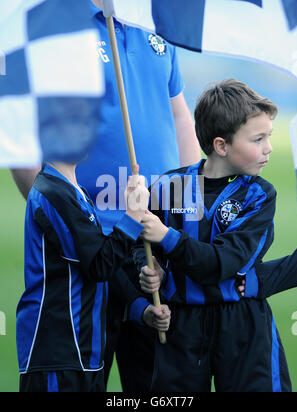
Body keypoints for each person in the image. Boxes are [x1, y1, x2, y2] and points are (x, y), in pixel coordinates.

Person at [11, 0, 201, 392]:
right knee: (81, 371)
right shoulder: (53, 24)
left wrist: (180, 215)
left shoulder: (156, 22)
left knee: (158, 381)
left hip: (154, 240)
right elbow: (20, 122)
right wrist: (62, 210)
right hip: (90, 252)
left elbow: (179, 113)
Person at [134, 79, 292, 392]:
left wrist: (167, 238)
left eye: (268, 137)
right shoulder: (169, 187)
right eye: (258, 139)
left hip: (243, 323)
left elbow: (224, 262)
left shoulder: (258, 195)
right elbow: (142, 247)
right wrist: (148, 269)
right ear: (221, 146)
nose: (269, 148)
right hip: (182, 325)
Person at [17, 160, 171, 393]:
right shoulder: (52, 193)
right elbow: (101, 264)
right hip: (58, 355)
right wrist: (132, 215)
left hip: (83, 354)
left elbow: (100, 268)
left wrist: (142, 310)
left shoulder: (75, 192)